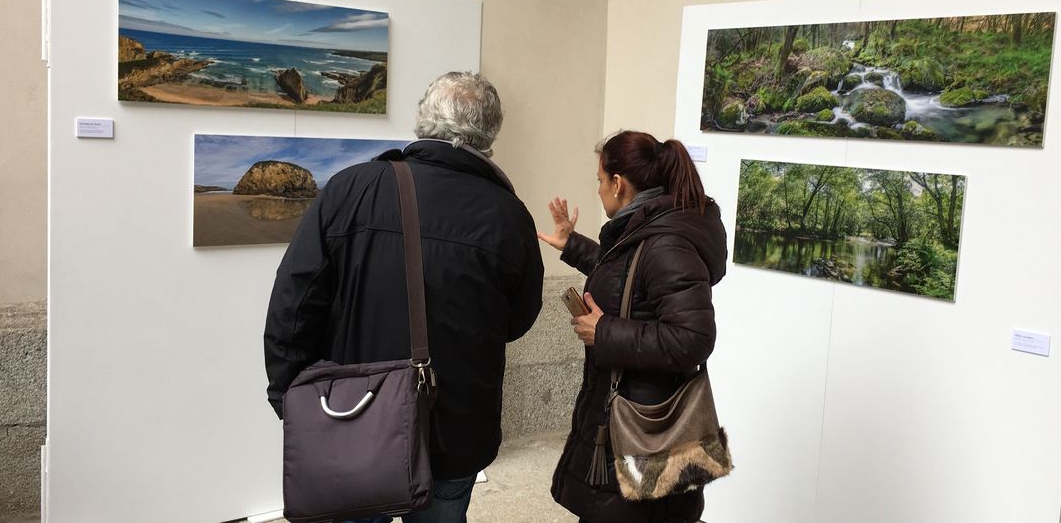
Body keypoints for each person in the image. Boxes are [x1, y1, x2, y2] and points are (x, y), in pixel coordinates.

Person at [264, 71, 545, 523]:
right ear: (490, 132)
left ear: (422, 119)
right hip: (458, 423)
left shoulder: (351, 189)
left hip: (351, 416)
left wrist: (290, 395)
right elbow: (520, 319)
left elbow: (293, 304)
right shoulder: (508, 215)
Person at [538, 130, 728, 523]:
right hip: (632, 420)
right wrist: (573, 244)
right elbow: (629, 278)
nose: (599, 190)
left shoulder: (667, 242)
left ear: (618, 183)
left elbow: (694, 338)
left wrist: (604, 332)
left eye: (599, 180)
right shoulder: (648, 228)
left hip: (645, 432)